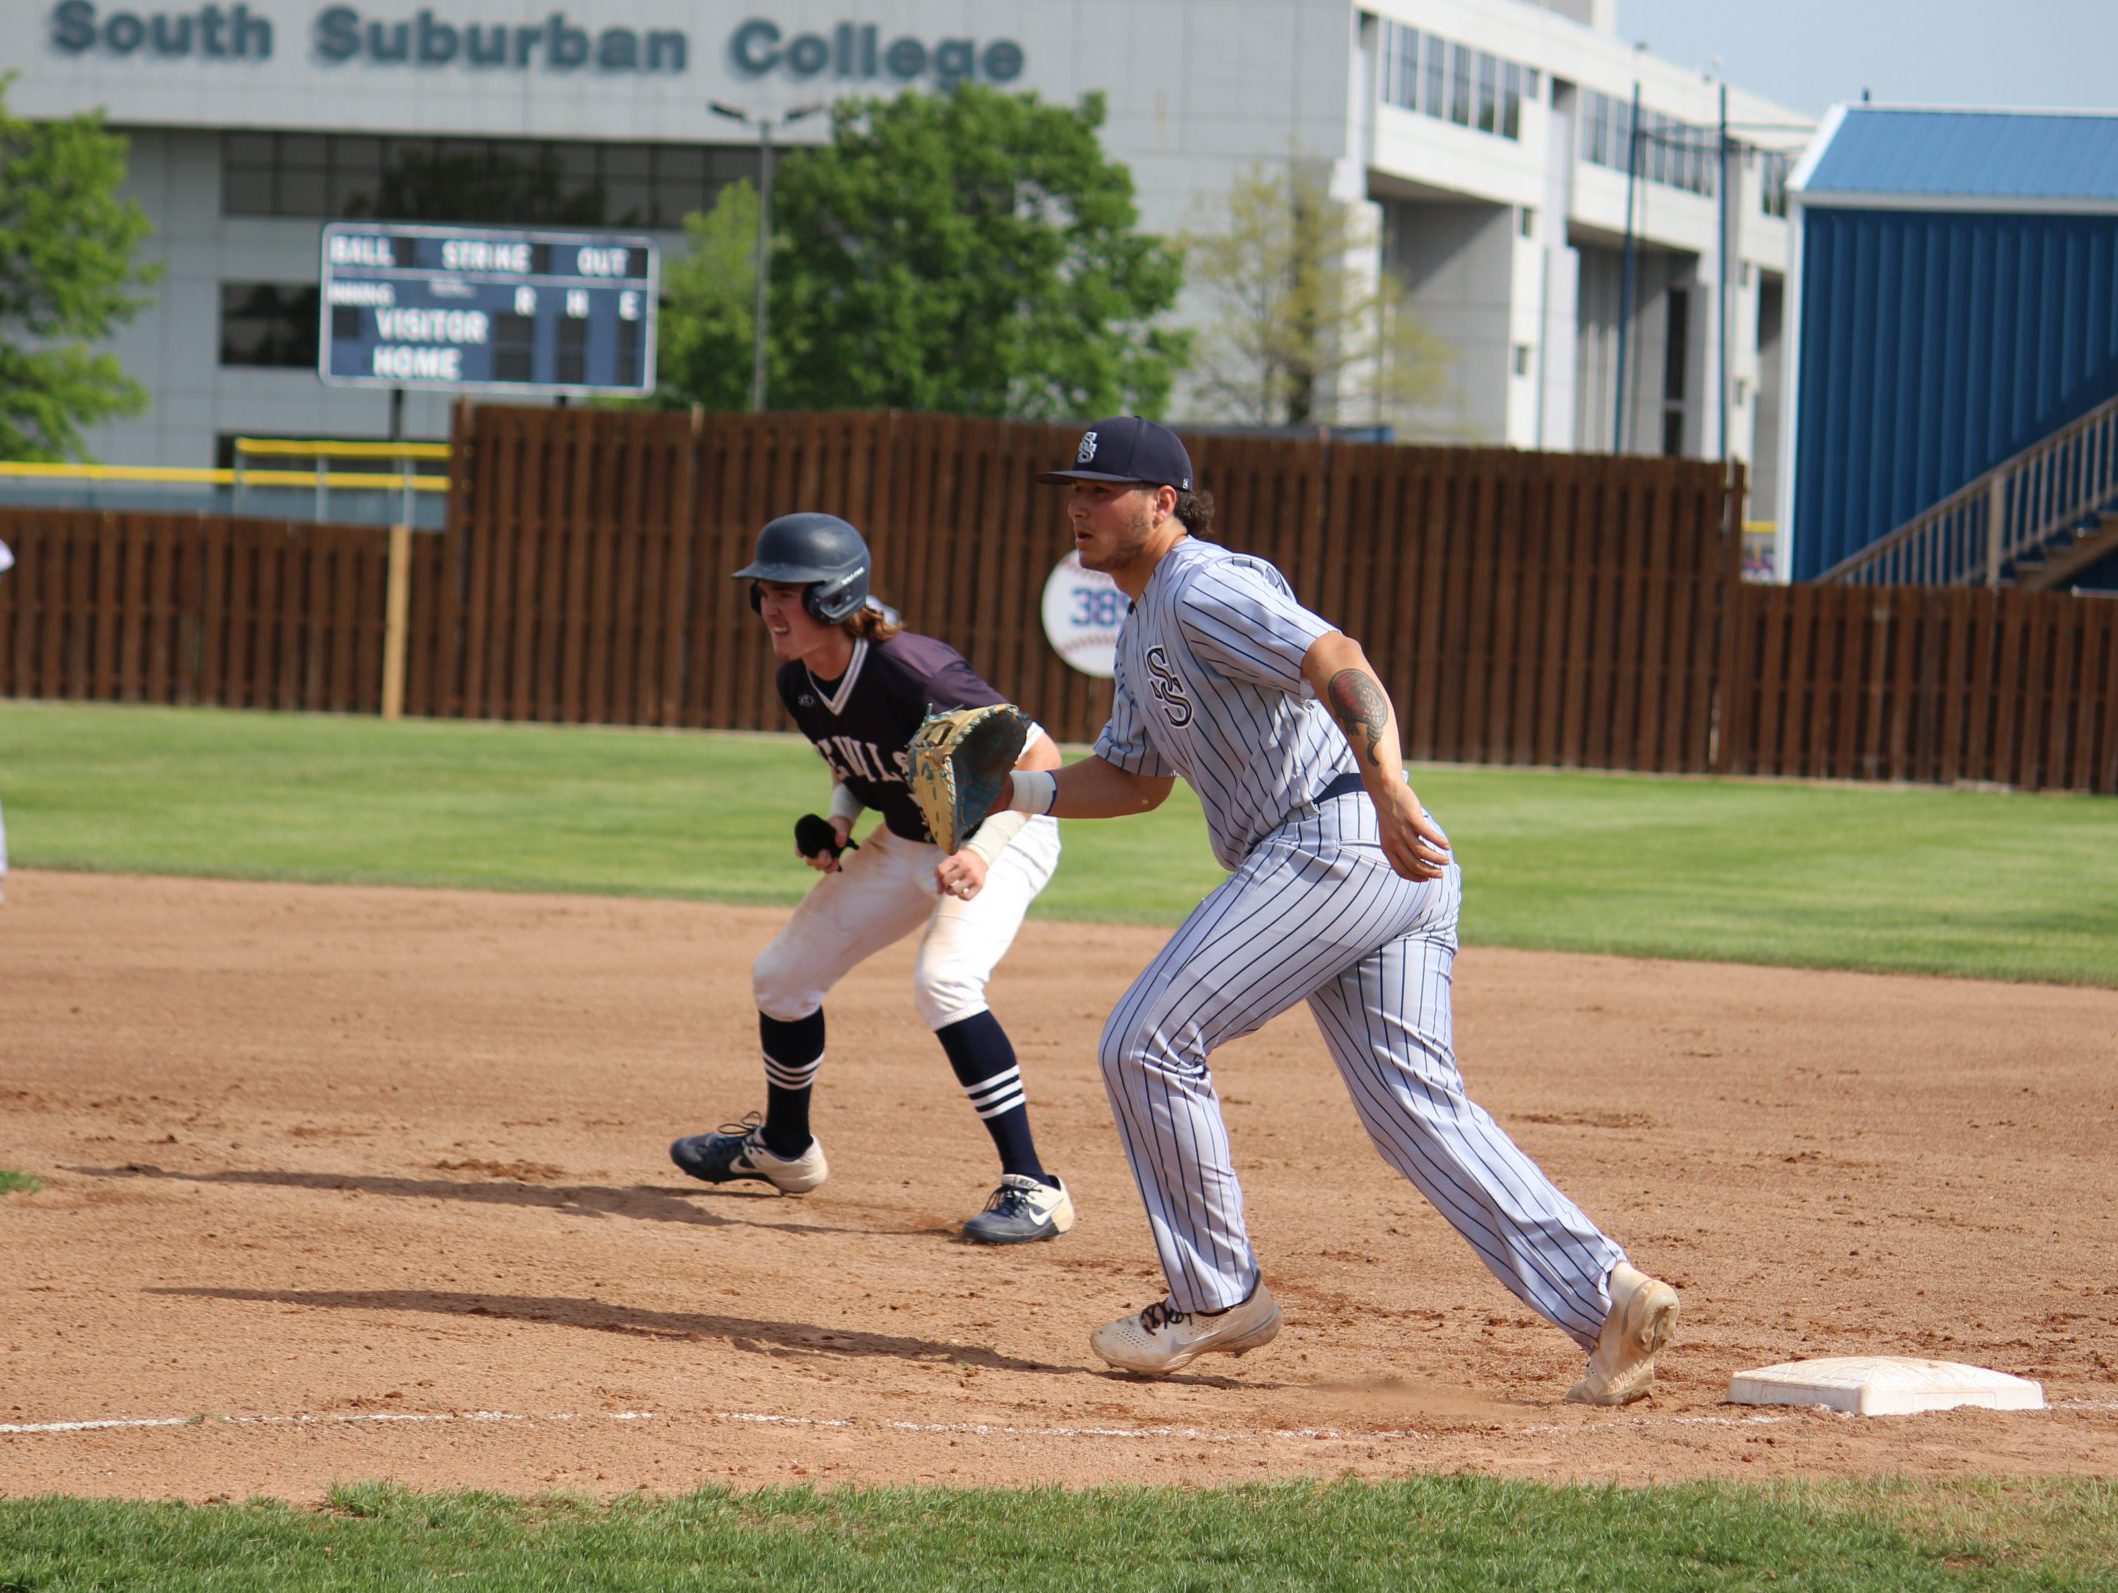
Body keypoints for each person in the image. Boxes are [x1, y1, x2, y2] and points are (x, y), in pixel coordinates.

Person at [998, 417, 1679, 1399]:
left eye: (1103, 490)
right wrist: (1014, 795)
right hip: (1371, 860)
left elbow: (1335, 655)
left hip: (1340, 842)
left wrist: (1391, 786)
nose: (1079, 505)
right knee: (1416, 1114)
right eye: (1074, 488)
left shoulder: (1202, 586)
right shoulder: (1144, 619)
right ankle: (1607, 1296)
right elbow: (1140, 781)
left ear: (1165, 501)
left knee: (1144, 1040)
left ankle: (1215, 1293)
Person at [670, 512, 1076, 1245]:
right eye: (761, 589)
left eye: (785, 590)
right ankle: (786, 1149)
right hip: (910, 836)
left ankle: (1036, 1187)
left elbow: (1040, 757)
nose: (768, 605)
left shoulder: (914, 670)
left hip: (1005, 834)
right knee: (782, 976)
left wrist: (984, 851)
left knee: (945, 981)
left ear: (831, 597)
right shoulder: (798, 681)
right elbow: (857, 760)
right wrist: (836, 821)